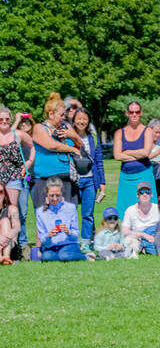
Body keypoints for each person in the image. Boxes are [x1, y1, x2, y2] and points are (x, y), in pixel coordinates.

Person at [32, 94, 82, 209]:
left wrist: (72, 135)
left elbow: (80, 145)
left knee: (68, 216)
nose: (64, 117)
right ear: (51, 114)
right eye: (61, 115)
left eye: (65, 114)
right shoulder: (39, 128)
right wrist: (72, 149)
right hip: (46, 181)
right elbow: (51, 145)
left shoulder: (66, 126)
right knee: (45, 218)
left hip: (66, 179)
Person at [113, 102, 157, 220]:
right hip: (125, 177)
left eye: (137, 112)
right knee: (124, 212)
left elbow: (146, 153)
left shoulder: (147, 131)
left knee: (147, 211)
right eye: (131, 112)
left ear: (141, 113)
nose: (134, 114)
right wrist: (139, 154)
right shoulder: (119, 133)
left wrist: (126, 151)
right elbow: (117, 155)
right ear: (127, 113)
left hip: (144, 174)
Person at [70, 106, 105, 252]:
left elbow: (99, 160)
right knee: (70, 212)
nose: (81, 121)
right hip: (73, 180)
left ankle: (85, 243)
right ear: (74, 120)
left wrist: (102, 183)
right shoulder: (68, 137)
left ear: (88, 121)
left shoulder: (93, 138)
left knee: (87, 214)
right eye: (79, 119)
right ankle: (71, 241)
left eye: (84, 119)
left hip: (90, 180)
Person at [35, 178, 86, 261]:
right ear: (46, 194)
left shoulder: (70, 208)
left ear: (62, 194)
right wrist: (49, 236)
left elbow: (76, 234)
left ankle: (87, 257)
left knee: (65, 256)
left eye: (57, 195)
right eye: (51, 195)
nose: (55, 199)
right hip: (51, 246)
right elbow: (43, 239)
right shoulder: (40, 212)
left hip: (69, 244)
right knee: (47, 257)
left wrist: (68, 232)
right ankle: (59, 256)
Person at [0, 106, 27, 245]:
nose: (4, 121)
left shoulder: (16, 134)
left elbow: (32, 145)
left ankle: (12, 247)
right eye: (1, 119)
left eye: (7, 119)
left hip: (13, 177)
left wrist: (28, 162)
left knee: (13, 211)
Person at [12, 112, 35, 258]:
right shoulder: (16, 139)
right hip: (23, 179)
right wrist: (17, 120)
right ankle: (21, 244)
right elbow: (10, 133)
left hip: (38, 178)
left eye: (27, 122)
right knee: (22, 212)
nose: (24, 125)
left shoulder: (36, 138)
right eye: (22, 123)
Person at [121, 183, 160, 257]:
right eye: (141, 192)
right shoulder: (130, 210)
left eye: (147, 192)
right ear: (137, 195)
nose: (145, 194)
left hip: (154, 236)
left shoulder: (157, 208)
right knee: (129, 241)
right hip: (137, 237)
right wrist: (143, 235)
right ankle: (136, 251)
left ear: (151, 194)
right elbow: (125, 231)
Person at [0, 183, 16, 262]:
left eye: (1, 192)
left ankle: (6, 257)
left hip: (8, 243)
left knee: (5, 221)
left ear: (5, 194)